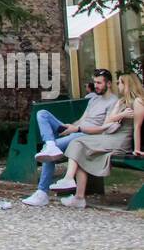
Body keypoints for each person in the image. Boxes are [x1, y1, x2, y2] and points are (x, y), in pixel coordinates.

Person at [22, 69, 116, 207]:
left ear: (108, 84)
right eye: (94, 82)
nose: (96, 85)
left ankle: (42, 192)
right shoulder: (94, 99)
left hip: (88, 135)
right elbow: (82, 119)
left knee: (47, 152)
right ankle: (50, 143)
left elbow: (104, 128)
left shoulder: (113, 102)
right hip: (76, 130)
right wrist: (70, 126)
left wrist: (77, 129)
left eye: (99, 83)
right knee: (42, 114)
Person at [49, 71, 143, 208]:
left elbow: (138, 127)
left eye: (120, 83)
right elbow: (108, 120)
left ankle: (69, 180)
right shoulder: (121, 101)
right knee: (79, 147)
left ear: (128, 84)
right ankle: (78, 196)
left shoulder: (138, 102)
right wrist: (121, 114)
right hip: (109, 136)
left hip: (120, 140)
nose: (118, 86)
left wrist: (137, 149)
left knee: (78, 142)